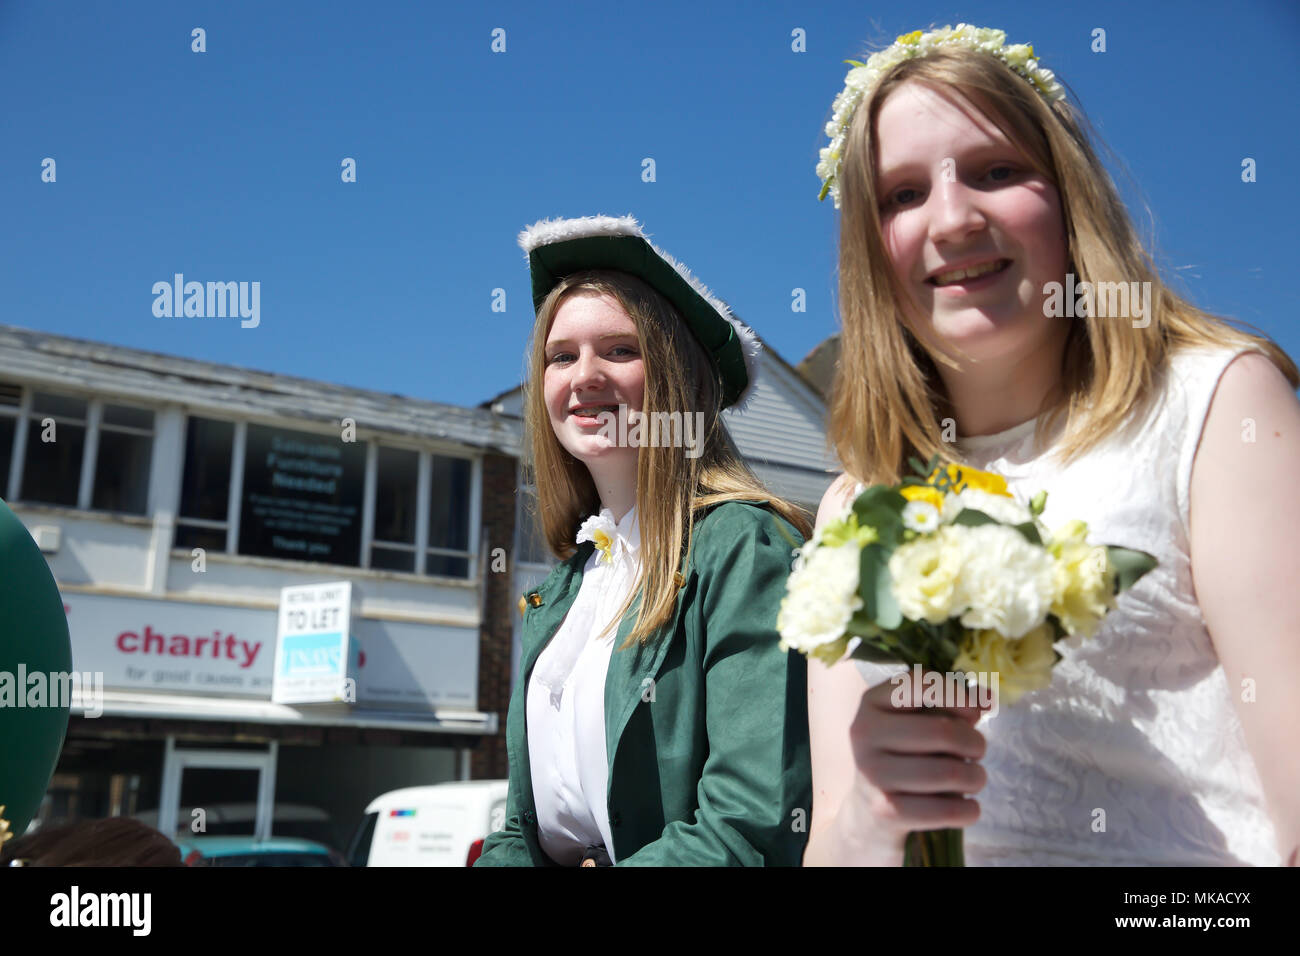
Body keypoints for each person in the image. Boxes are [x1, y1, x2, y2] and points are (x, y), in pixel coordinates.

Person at [802, 24, 1300, 866]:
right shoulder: (859, 504)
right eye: (903, 194)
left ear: (1070, 198)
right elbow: (832, 843)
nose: (954, 218)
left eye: (997, 171)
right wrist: (868, 820)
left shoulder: (1212, 404)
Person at [474, 215, 813, 866]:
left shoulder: (744, 547)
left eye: (620, 351)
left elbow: (752, 829)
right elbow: (521, 832)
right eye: (561, 356)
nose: (585, 376)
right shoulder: (562, 589)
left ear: (677, 376)